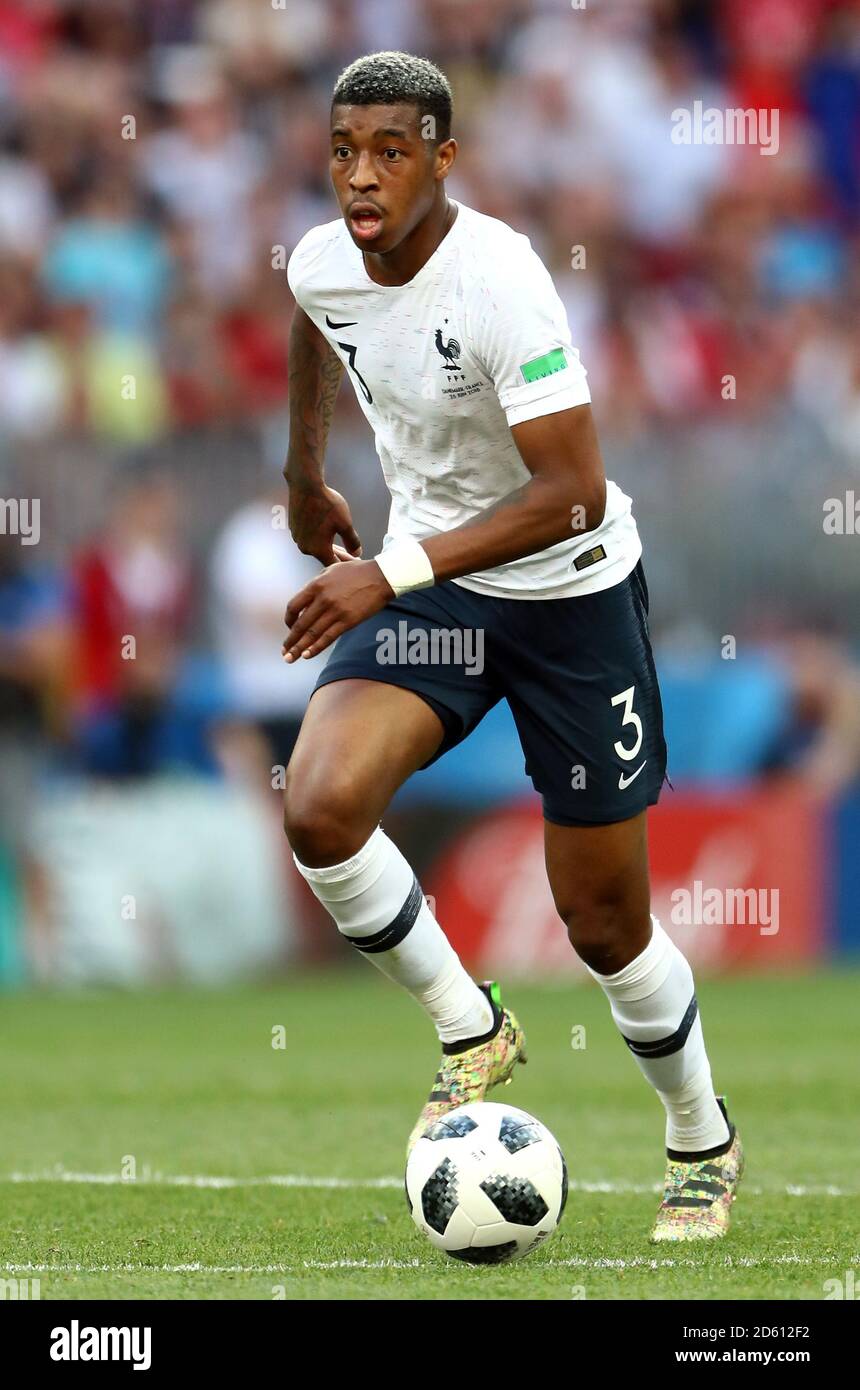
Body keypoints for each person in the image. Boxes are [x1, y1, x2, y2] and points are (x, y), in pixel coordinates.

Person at [281, 51, 742, 1243]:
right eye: (344, 151)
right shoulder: (323, 258)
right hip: (441, 592)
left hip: (566, 596)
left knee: (600, 923)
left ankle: (698, 1132)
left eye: (390, 150)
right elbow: (311, 320)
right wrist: (301, 472)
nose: (361, 176)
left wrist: (387, 569)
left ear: (444, 157)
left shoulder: (500, 284)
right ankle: (468, 1023)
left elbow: (575, 492)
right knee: (320, 805)